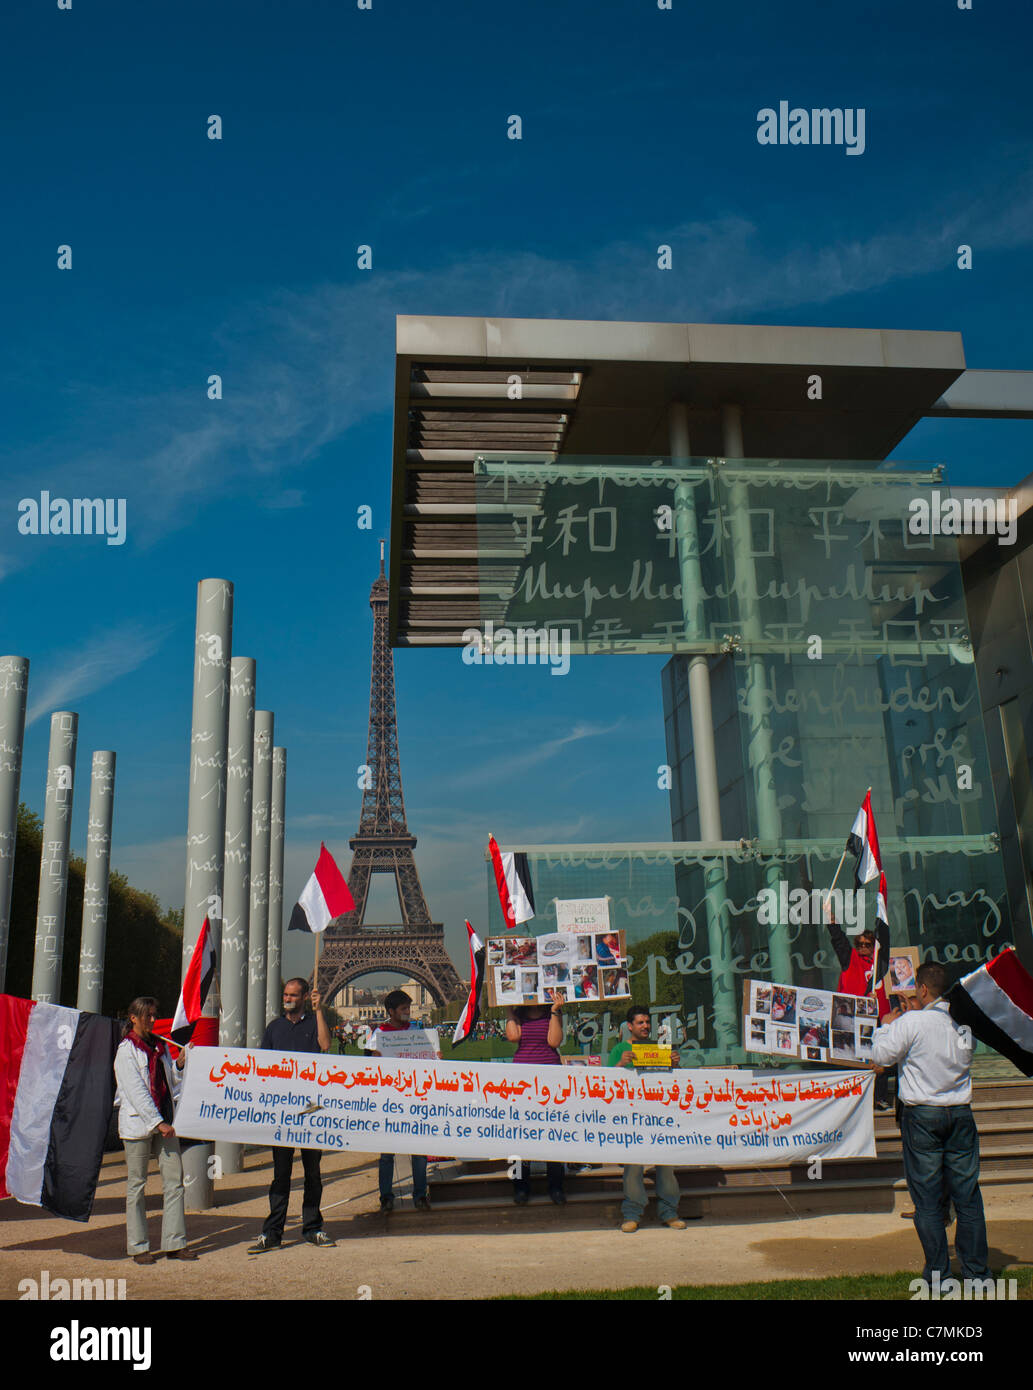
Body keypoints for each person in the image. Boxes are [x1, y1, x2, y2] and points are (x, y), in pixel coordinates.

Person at [870, 962, 992, 1286]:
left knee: (926, 1199)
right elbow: (967, 1054)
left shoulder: (913, 1021)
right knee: (967, 1196)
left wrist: (885, 1025)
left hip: (923, 1115)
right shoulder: (962, 1024)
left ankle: (938, 1275)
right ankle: (977, 1273)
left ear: (923, 990)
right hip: (959, 1112)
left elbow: (881, 1055)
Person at [248, 978, 334, 1253]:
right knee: (281, 1175)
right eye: (285, 994)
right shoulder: (275, 1027)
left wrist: (319, 1010)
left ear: (305, 996)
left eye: (293, 995)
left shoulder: (314, 1023)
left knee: (313, 1174)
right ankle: (272, 1233)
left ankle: (312, 1228)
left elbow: (325, 1045)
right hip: (283, 1112)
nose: (287, 998)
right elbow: (262, 1066)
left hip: (310, 1111)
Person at [114, 995, 196, 1264]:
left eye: (154, 1014)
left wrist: (181, 1064)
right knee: (137, 1186)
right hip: (141, 1123)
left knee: (174, 1182)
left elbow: (170, 1082)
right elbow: (136, 1091)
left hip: (165, 1122)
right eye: (147, 1015)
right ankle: (138, 1247)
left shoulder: (159, 1047)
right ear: (133, 1018)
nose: (152, 1019)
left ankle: (174, 1242)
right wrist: (157, 1122)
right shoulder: (126, 1051)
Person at [608, 1005, 686, 1233]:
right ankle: (632, 1214)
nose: (645, 1026)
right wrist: (620, 1064)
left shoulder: (659, 1048)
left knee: (666, 1166)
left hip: (659, 1116)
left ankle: (669, 1212)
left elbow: (673, 1082)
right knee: (633, 1167)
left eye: (647, 1022)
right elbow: (604, 1084)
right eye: (640, 1022)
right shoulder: (619, 1049)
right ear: (629, 1026)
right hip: (632, 1119)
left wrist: (675, 1063)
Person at [370, 989, 438, 1212]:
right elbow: (371, 1068)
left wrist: (436, 1057)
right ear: (391, 1012)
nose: (408, 1012)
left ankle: (419, 1194)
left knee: (418, 1150)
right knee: (388, 1152)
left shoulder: (417, 1031)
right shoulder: (378, 1034)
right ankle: (386, 1196)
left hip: (413, 1097)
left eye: (409, 1008)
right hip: (390, 1098)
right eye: (403, 1009)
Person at [824, 907, 892, 1107]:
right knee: (855, 1058)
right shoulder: (850, 959)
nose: (863, 947)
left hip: (879, 1018)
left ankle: (878, 1097)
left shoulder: (882, 964)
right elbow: (839, 942)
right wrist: (831, 921)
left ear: (874, 947)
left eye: (867, 944)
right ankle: (859, 1099)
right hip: (853, 1018)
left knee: (879, 1056)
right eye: (859, 944)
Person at [506, 1001, 566, 1205]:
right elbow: (513, 1036)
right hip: (522, 1080)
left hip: (550, 1079)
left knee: (553, 1134)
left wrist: (555, 1011)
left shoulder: (552, 1014)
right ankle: (520, 1187)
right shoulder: (518, 1014)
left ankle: (556, 1186)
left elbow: (554, 1041)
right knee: (519, 1136)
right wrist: (508, 1009)